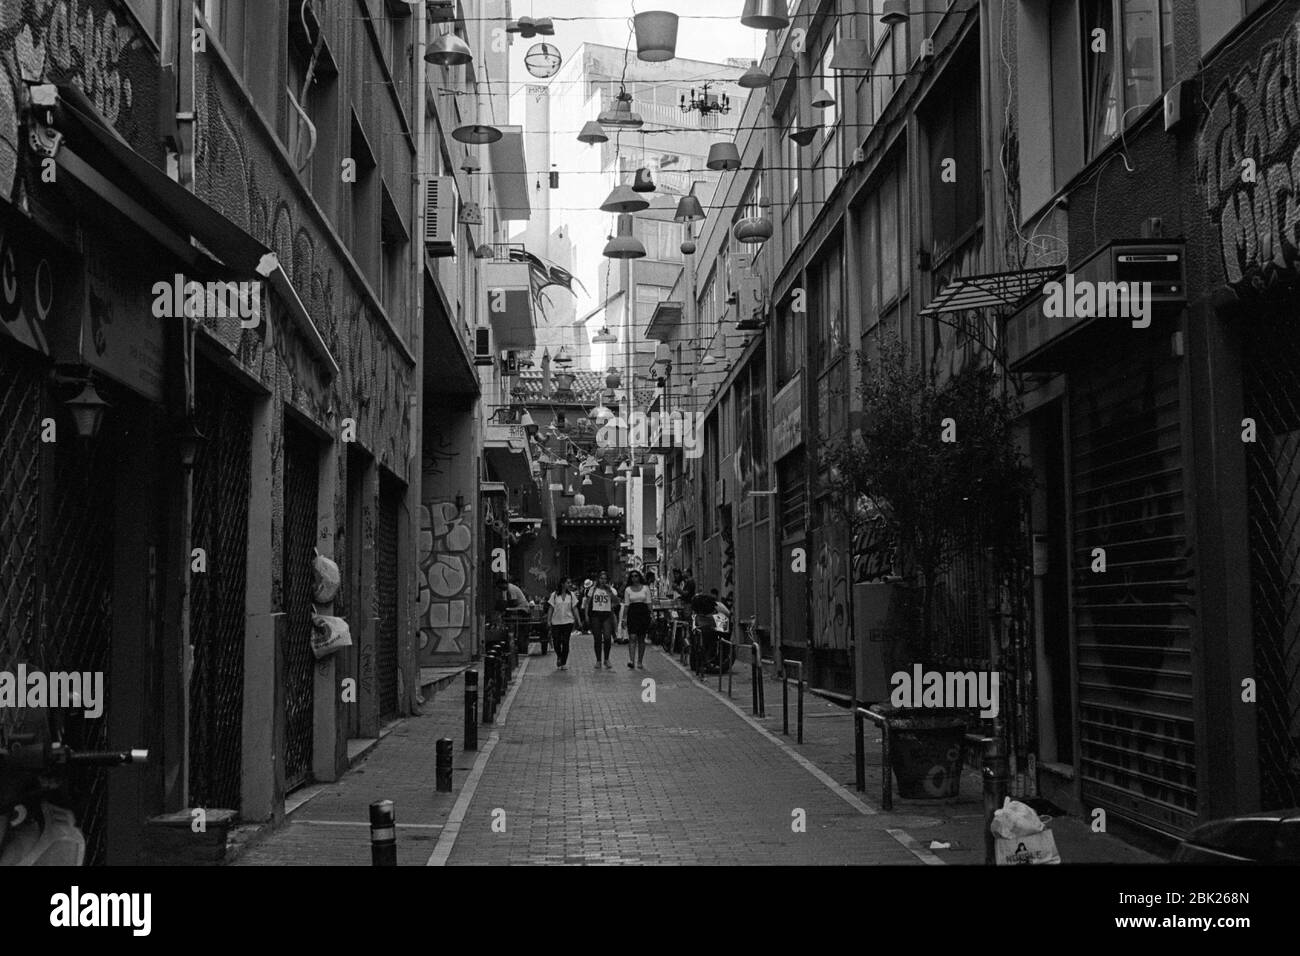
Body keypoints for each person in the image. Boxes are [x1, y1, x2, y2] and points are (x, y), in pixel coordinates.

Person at [584, 571, 620, 669]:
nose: (603, 580)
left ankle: (606, 659)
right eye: (601, 578)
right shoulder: (593, 589)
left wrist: (610, 593)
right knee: (597, 638)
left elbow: (617, 601)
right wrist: (586, 615)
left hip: (607, 615)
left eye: (605, 579)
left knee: (607, 637)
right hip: (595, 614)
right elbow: (587, 603)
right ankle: (598, 660)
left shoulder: (610, 590)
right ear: (598, 579)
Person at [621, 570, 653, 669]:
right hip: (632, 613)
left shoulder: (645, 588)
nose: (634, 578)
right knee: (632, 637)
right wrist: (624, 618)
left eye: (636, 576)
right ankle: (631, 660)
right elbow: (626, 605)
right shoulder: (628, 590)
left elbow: (649, 603)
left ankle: (640, 661)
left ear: (639, 577)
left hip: (643, 613)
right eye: (632, 576)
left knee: (641, 638)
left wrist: (652, 615)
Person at [546, 577, 578, 670]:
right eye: (568, 582)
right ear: (563, 584)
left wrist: (578, 619)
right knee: (556, 642)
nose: (570, 584)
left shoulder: (571, 595)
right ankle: (559, 656)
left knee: (565, 642)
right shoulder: (554, 595)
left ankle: (563, 661)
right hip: (556, 622)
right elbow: (551, 608)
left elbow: (574, 608)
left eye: (570, 582)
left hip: (568, 621)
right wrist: (548, 620)